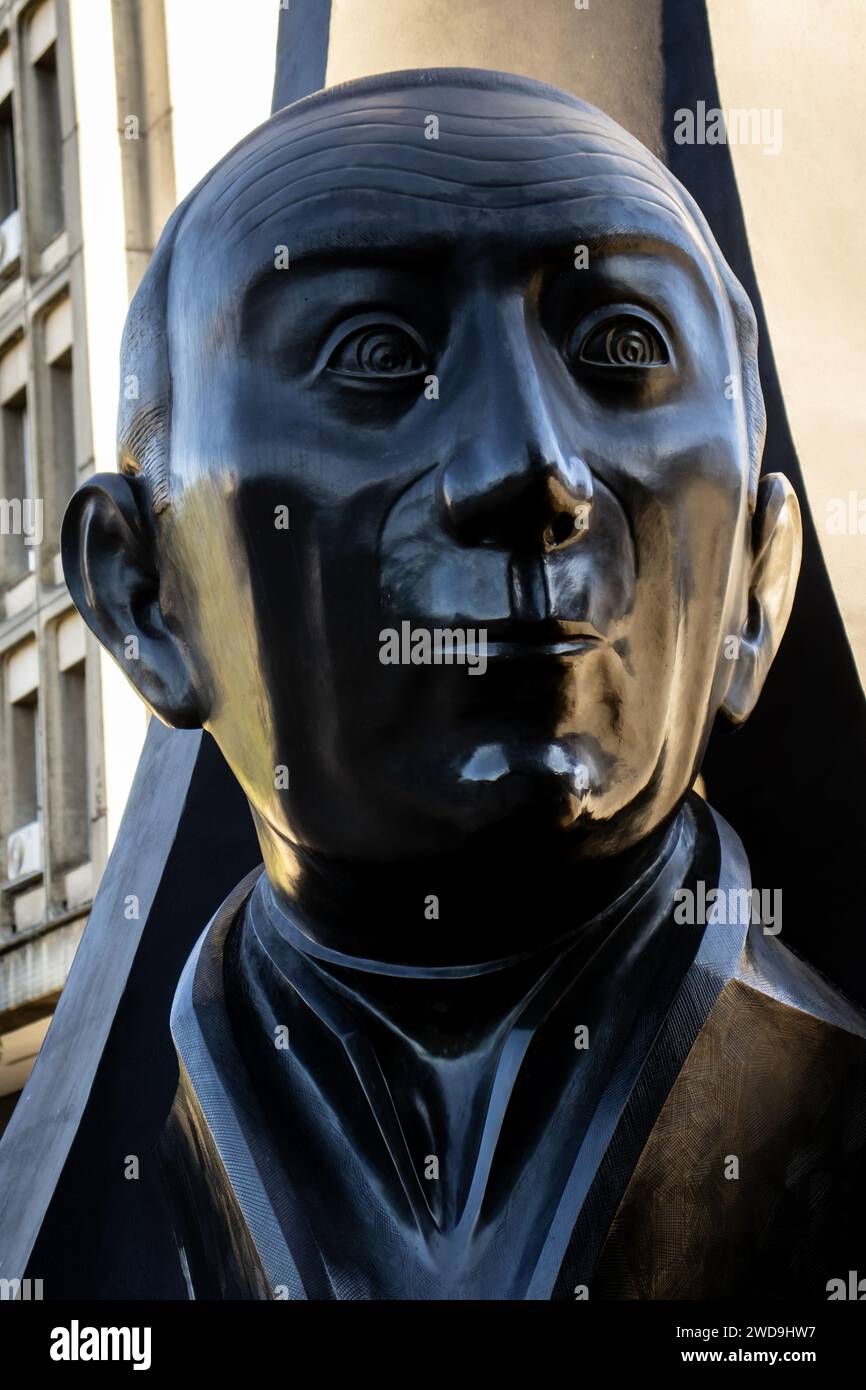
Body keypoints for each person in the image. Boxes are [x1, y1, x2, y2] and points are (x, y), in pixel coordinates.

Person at [62, 68, 866, 1300]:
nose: (525, 470)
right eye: (374, 354)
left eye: (619, 349)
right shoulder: (61, 1237)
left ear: (756, 589)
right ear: (141, 597)